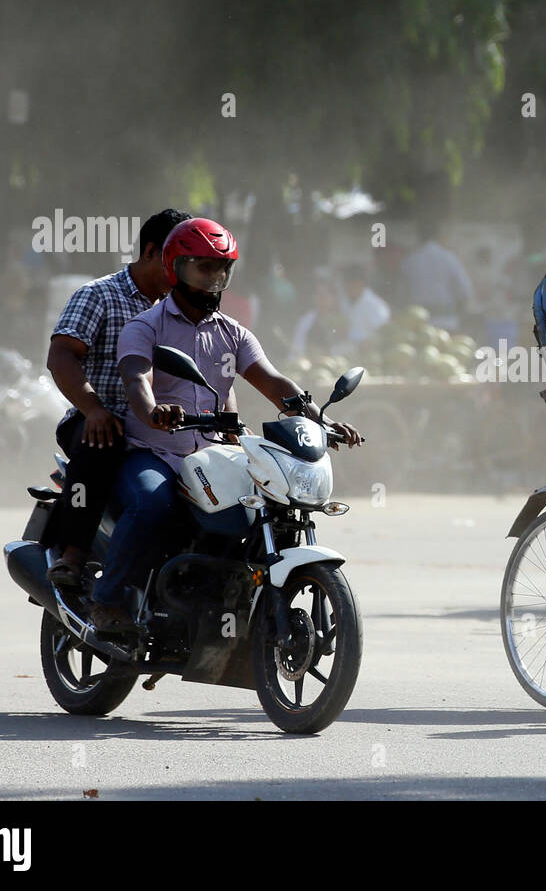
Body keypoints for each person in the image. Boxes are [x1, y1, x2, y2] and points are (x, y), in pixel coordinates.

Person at [91, 217, 361, 631]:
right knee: (152, 506)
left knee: (271, 506)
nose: (215, 277)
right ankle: (107, 604)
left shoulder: (233, 333)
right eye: (204, 266)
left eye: (222, 268)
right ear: (174, 268)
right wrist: (154, 412)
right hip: (154, 453)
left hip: (215, 455)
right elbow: (136, 379)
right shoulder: (145, 327)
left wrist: (323, 420)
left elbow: (275, 384)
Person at [41, 209, 190, 586]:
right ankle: (73, 554)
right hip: (100, 418)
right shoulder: (99, 295)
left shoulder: (178, 308)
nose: (185, 271)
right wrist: (93, 408)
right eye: (178, 259)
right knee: (104, 439)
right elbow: (61, 356)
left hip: (161, 428)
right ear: (152, 252)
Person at [400, 218, 474, 330]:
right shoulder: (449, 258)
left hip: (417, 324)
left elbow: (402, 292)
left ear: (419, 236)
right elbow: (465, 289)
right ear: (438, 235)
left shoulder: (410, 260)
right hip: (446, 322)